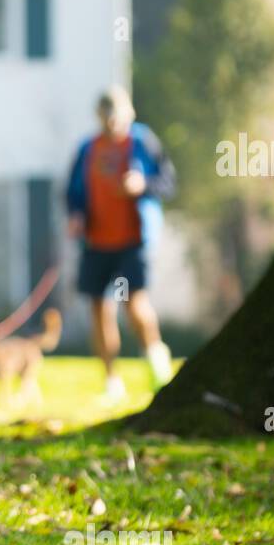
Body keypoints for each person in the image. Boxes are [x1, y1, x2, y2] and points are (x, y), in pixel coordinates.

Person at [65, 85, 176, 400]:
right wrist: (76, 215)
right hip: (97, 242)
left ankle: (156, 362)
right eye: (106, 118)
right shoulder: (88, 149)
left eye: (117, 117)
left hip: (133, 240)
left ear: (129, 114)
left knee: (134, 305)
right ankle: (111, 381)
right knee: (99, 309)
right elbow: (73, 193)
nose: (112, 124)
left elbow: (168, 182)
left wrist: (142, 185)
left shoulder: (143, 142)